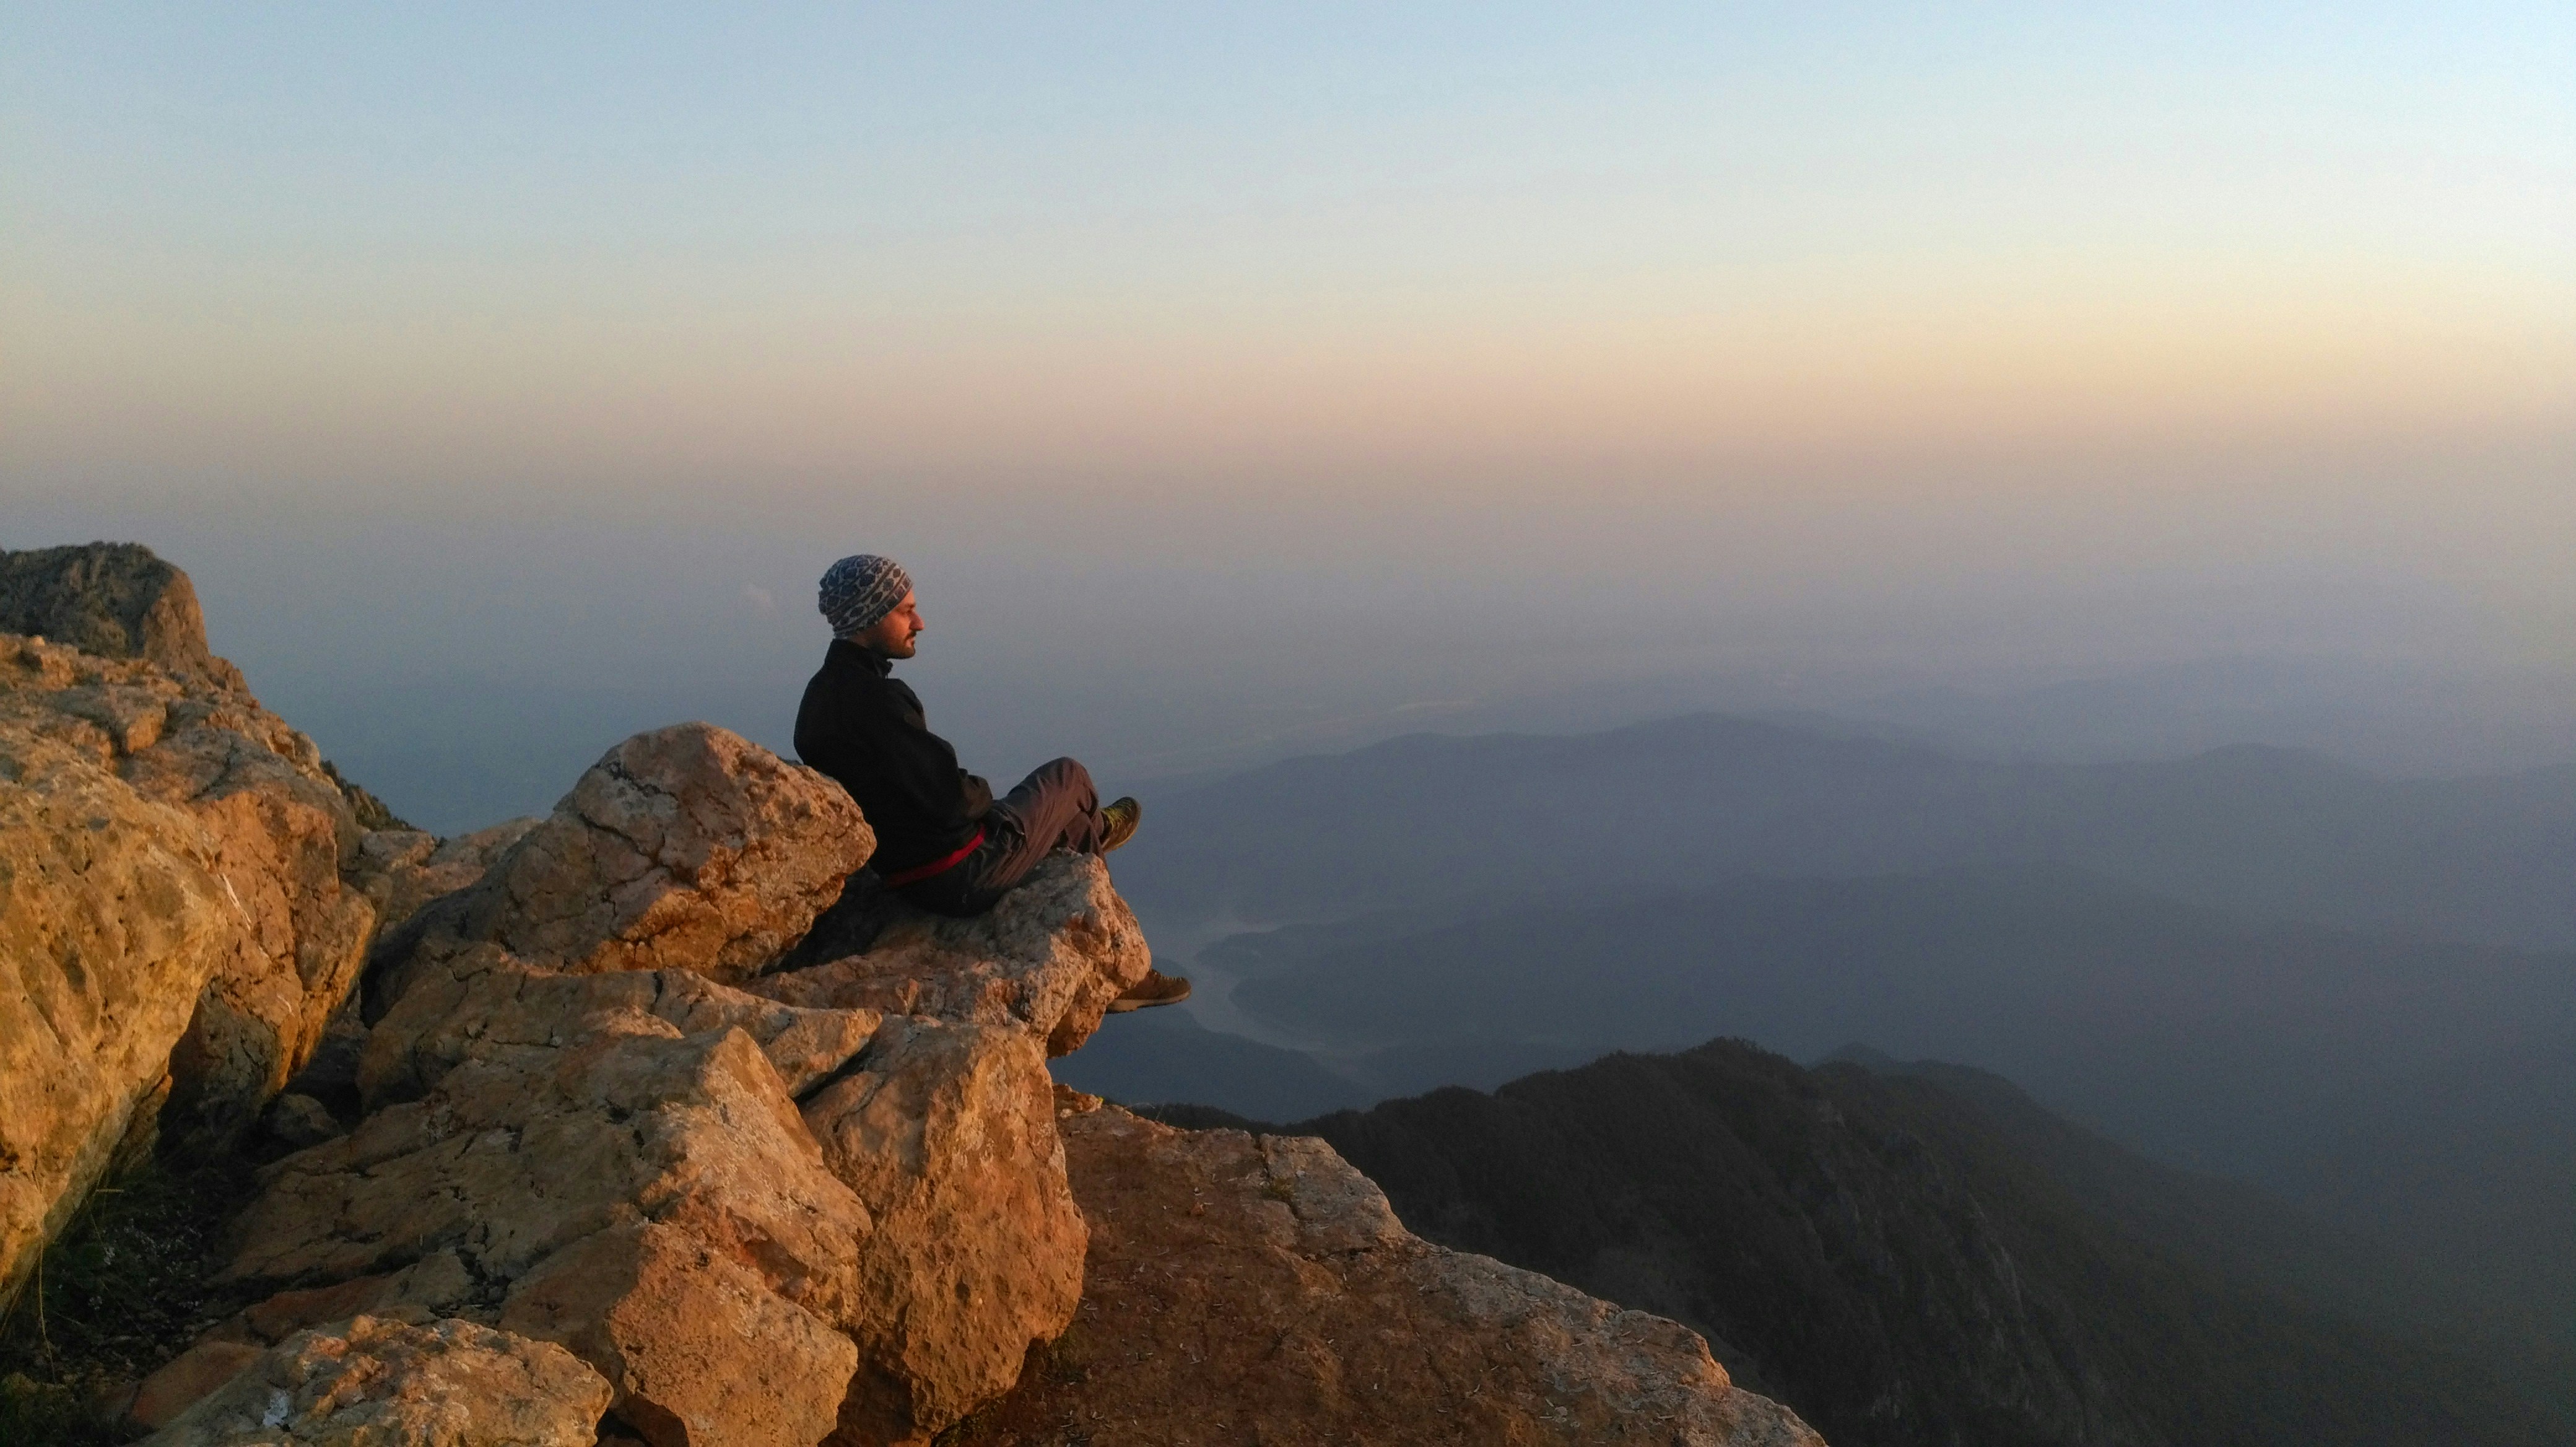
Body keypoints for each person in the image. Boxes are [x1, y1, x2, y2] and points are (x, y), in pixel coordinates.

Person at [793, 553, 1190, 1011]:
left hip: (903, 874)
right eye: (905, 611)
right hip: (962, 872)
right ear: (869, 617)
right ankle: (1114, 942)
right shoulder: (881, 703)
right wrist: (983, 795)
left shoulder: (817, 701)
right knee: (1069, 776)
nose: (919, 622)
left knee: (1066, 823)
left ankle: (1090, 842)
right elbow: (951, 800)